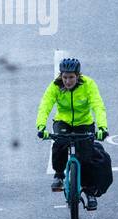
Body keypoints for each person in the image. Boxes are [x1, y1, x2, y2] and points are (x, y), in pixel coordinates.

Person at [36, 57, 108, 210]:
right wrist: (41, 126)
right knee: (59, 144)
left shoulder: (88, 84)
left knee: (87, 158)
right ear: (60, 76)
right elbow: (45, 105)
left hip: (84, 123)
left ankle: (89, 192)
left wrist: (102, 127)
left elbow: (98, 105)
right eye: (65, 77)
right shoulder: (55, 86)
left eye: (71, 77)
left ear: (78, 76)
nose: (68, 81)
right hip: (63, 121)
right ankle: (59, 176)